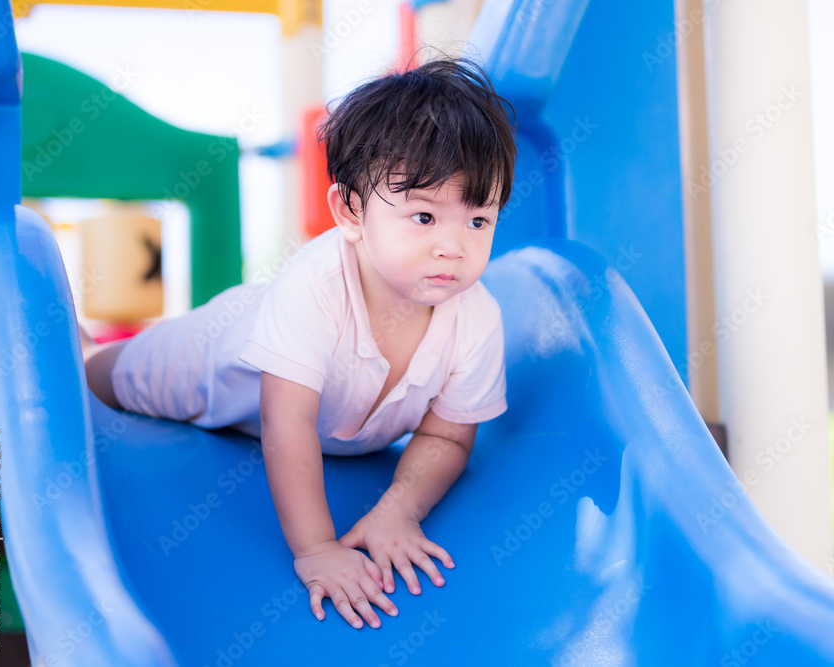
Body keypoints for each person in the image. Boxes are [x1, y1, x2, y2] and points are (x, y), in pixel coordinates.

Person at [79, 57, 517, 631]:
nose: (453, 246)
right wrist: (317, 550)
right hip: (213, 361)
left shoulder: (477, 318)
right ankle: (84, 348)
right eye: (424, 215)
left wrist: (397, 511)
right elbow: (285, 425)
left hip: (315, 420)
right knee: (111, 377)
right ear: (350, 212)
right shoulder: (313, 287)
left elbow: (448, 436)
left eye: (478, 221)